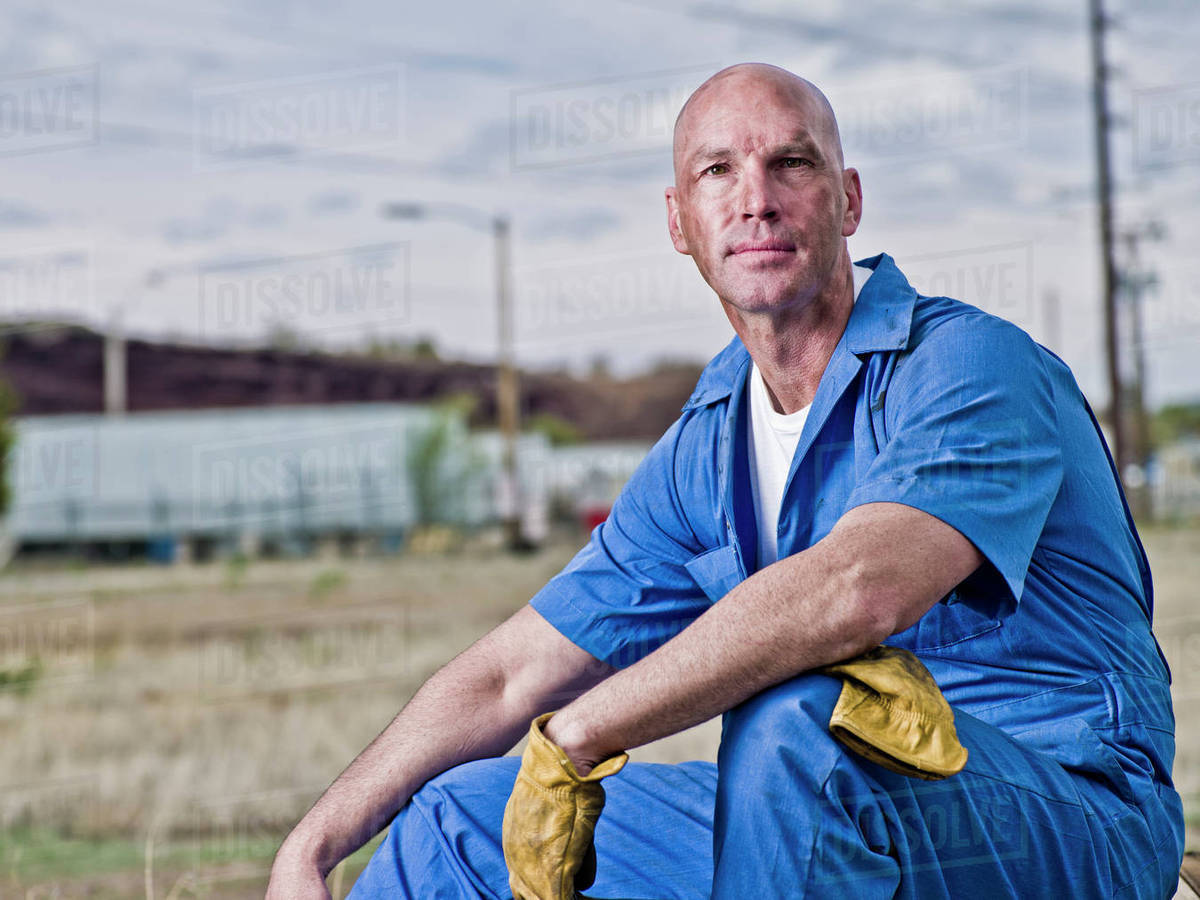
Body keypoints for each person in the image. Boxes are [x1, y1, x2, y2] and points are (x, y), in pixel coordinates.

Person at [267, 63, 1184, 899]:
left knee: (804, 721)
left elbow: (860, 589)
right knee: (462, 818)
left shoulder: (970, 365)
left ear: (848, 199)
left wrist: (583, 735)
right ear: (678, 220)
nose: (757, 200)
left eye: (792, 163)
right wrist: (311, 844)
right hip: (822, 804)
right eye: (718, 172)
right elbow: (512, 677)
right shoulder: (708, 448)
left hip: (1067, 819)